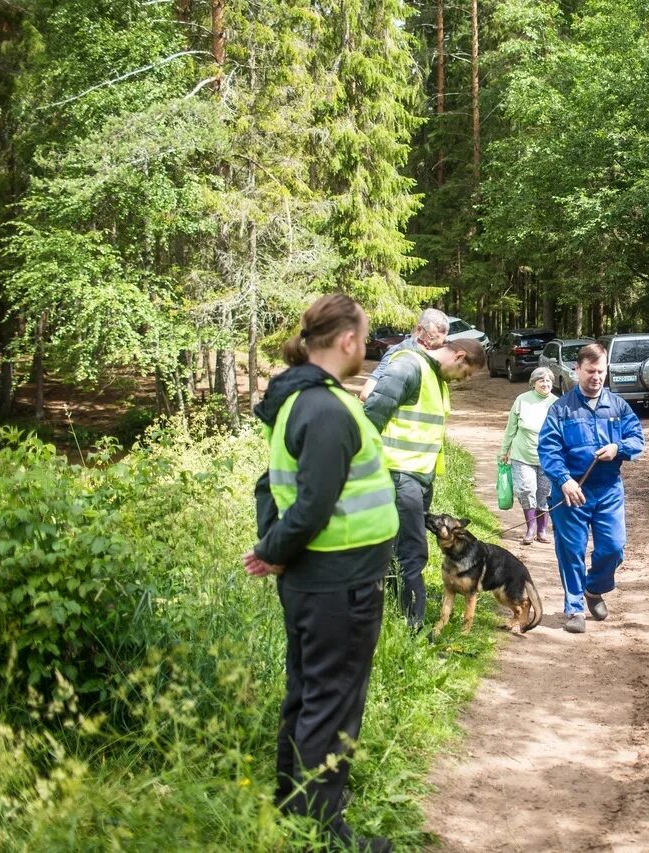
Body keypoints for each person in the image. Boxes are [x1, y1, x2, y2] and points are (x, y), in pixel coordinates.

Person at [245, 294, 398, 852]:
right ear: (349, 341)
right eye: (366, 338)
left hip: (322, 581)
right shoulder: (327, 409)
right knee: (331, 704)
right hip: (339, 584)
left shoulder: (303, 398)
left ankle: (294, 808)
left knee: (309, 694)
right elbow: (310, 505)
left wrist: (275, 547)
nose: (368, 348)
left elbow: (270, 486)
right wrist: (276, 549)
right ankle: (323, 831)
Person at [363, 335, 486, 631]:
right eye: (465, 373)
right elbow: (371, 415)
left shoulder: (435, 378)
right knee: (413, 551)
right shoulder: (409, 366)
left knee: (393, 549)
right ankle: (413, 627)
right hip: (396, 474)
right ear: (458, 357)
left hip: (418, 478)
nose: (462, 379)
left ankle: (389, 614)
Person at [537, 343, 645, 634]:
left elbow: (637, 438)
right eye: (590, 371)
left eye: (601, 371)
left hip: (608, 490)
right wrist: (564, 480)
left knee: (613, 548)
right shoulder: (560, 409)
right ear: (577, 370)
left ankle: (593, 588)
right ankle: (573, 608)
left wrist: (618, 447)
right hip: (572, 492)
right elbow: (548, 449)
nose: (596, 377)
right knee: (571, 551)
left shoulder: (619, 406)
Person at [500, 366, 558, 545]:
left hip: (547, 457)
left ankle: (542, 530)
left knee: (544, 493)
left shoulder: (557, 403)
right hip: (522, 454)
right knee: (526, 490)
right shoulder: (521, 400)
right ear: (533, 383)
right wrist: (504, 451)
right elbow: (511, 428)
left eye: (548, 381)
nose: (545, 384)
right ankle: (531, 528)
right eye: (541, 380)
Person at [358, 307, 450, 402]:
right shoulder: (397, 352)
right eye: (431, 339)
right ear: (419, 330)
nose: (433, 348)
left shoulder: (436, 360)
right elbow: (366, 394)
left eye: (441, 343)